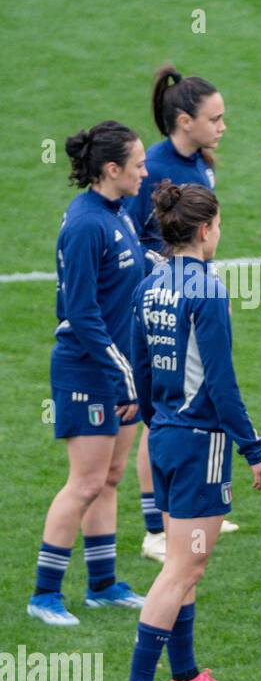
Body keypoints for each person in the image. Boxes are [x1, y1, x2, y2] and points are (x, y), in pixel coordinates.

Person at [119, 181, 261, 681]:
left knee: (185, 565)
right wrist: (254, 448)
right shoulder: (208, 289)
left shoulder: (151, 282)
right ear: (206, 229)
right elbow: (221, 381)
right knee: (184, 566)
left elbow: (138, 361)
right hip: (199, 442)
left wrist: (153, 417)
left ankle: (184, 679)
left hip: (164, 436)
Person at [29, 122, 149, 627]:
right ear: (111, 169)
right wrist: (123, 375)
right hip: (88, 370)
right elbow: (81, 312)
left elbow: (128, 272)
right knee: (83, 483)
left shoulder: (115, 213)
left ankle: (102, 583)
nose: (146, 170)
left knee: (110, 477)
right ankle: (44, 595)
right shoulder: (85, 225)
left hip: (116, 370)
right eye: (138, 164)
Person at [127, 64, 234, 562]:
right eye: (214, 118)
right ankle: (157, 524)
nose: (222, 127)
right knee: (166, 412)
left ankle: (192, 505)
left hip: (189, 286)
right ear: (184, 120)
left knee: (187, 393)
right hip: (163, 293)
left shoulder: (203, 163)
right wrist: (167, 278)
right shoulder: (151, 165)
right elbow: (130, 236)